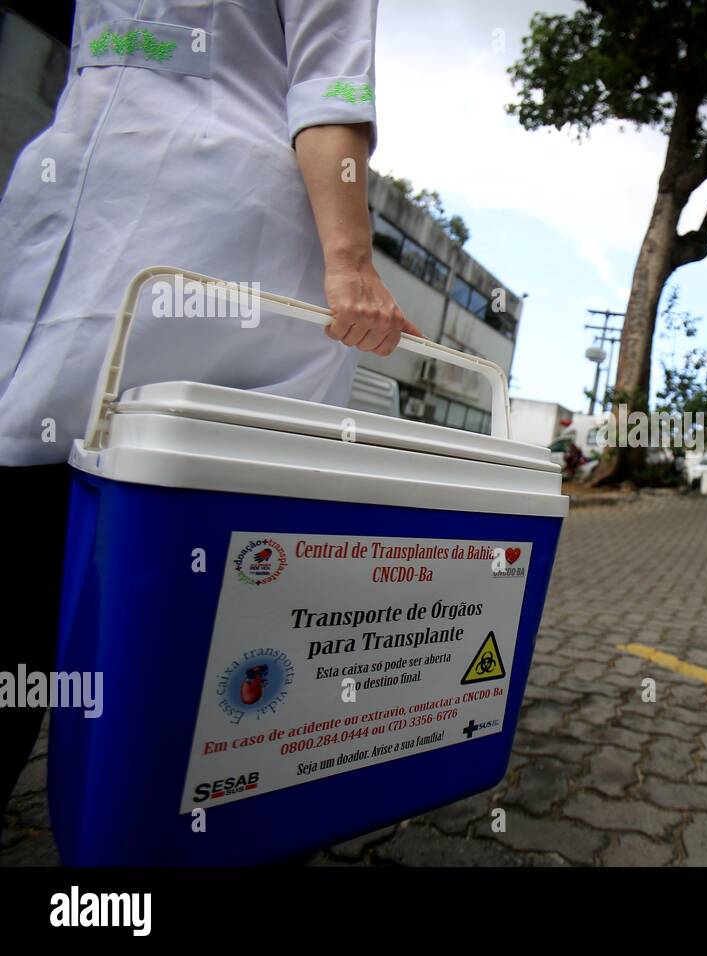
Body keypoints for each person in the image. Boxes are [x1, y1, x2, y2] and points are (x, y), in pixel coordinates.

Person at [0, 0, 416, 826]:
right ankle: (163, 814)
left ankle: (146, 815)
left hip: (190, 243)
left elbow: (327, 93)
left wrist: (349, 261)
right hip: (158, 231)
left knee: (71, 529)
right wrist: (349, 269)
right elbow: (330, 90)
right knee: (183, 576)